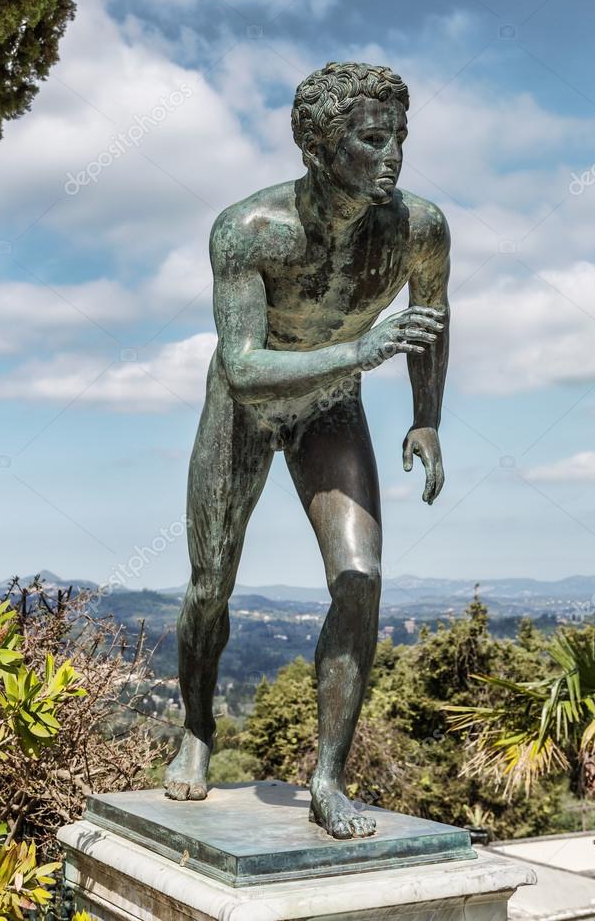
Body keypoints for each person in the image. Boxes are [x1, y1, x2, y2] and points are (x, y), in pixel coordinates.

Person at [164, 62, 450, 840]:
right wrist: (362, 349)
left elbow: (433, 310)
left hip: (329, 406)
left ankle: (327, 776)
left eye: (399, 137)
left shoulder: (417, 227)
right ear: (320, 148)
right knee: (210, 584)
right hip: (246, 408)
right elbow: (244, 366)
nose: (391, 154)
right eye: (370, 138)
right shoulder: (249, 231)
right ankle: (196, 725)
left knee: (359, 579)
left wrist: (426, 417)